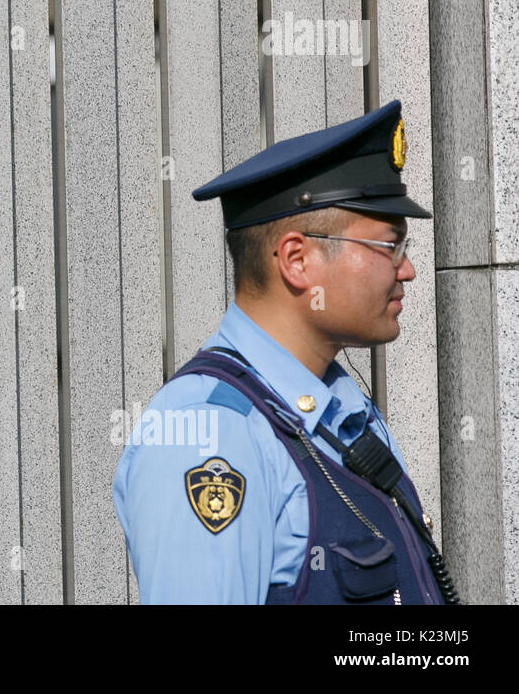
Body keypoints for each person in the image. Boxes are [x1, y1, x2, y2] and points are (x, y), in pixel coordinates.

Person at [113, 100, 457, 604]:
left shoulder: (338, 407)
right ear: (297, 260)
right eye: (391, 247)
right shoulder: (210, 435)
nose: (406, 271)